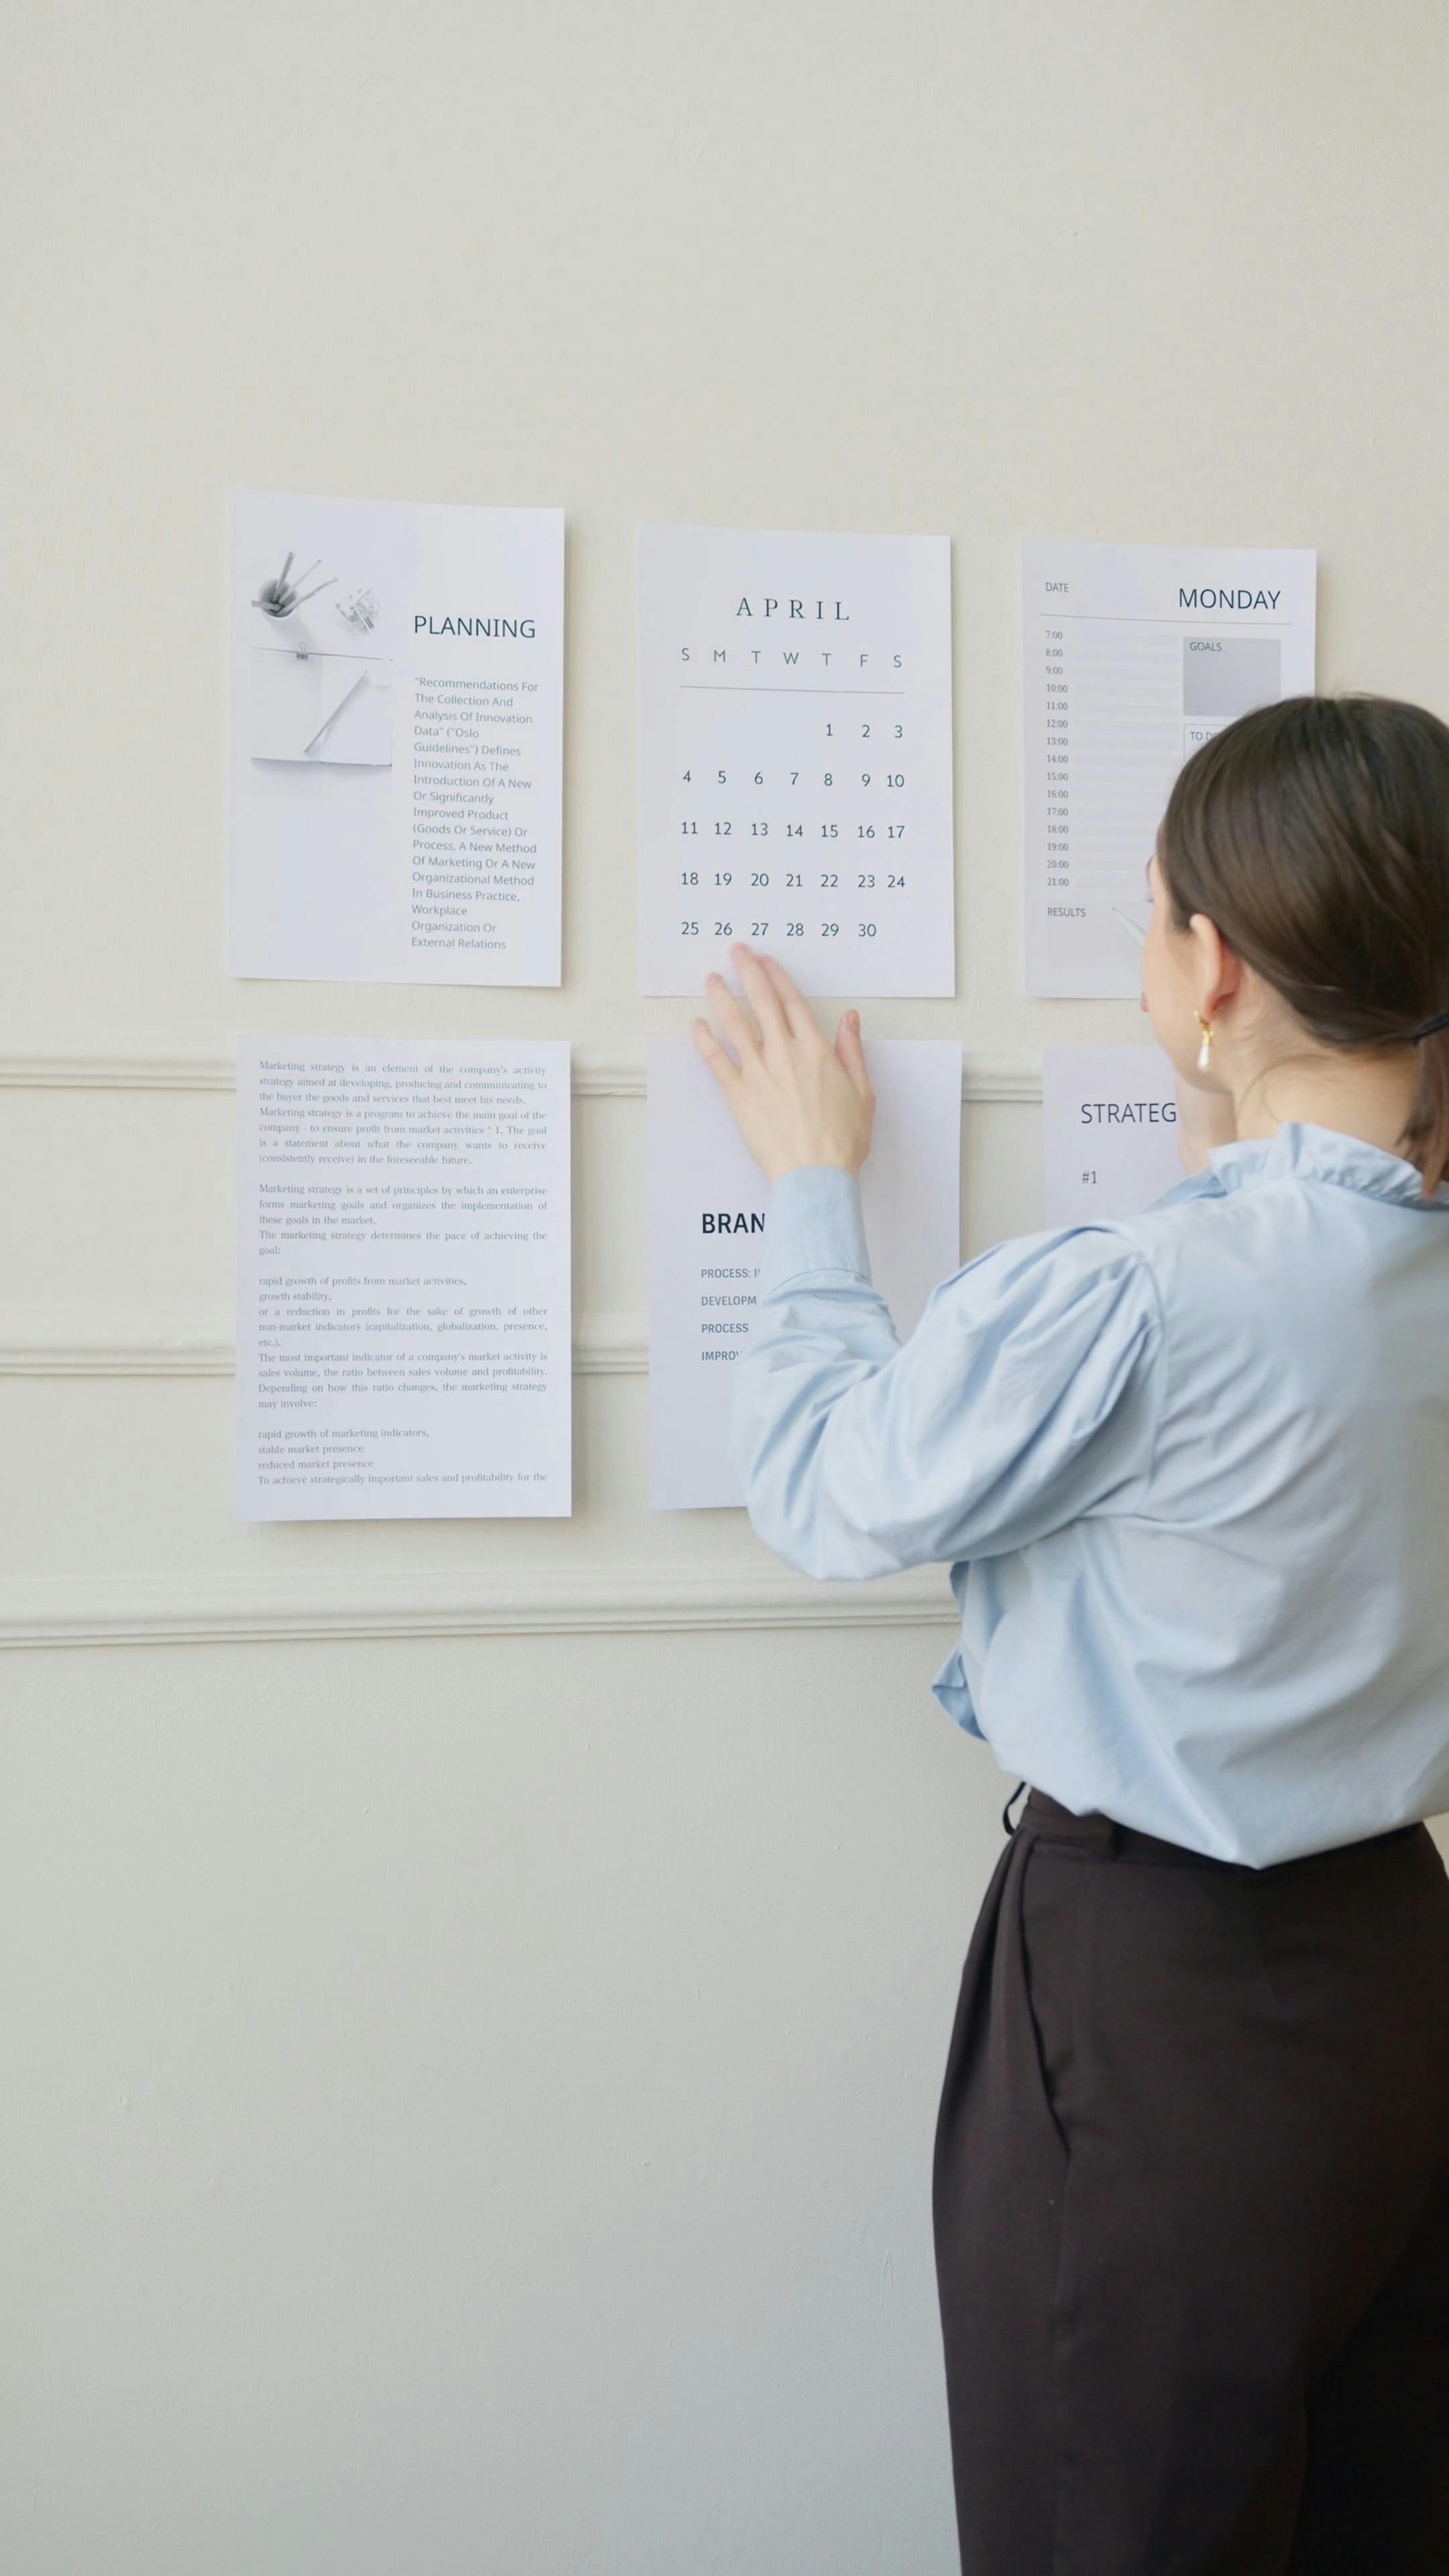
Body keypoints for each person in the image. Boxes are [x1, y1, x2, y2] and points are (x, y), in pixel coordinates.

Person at [692, 694, 1449, 2576]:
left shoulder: (1136, 1295)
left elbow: (823, 1486)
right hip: (1400, 1981)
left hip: (1153, 2004)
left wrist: (807, 1181)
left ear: (1214, 970)